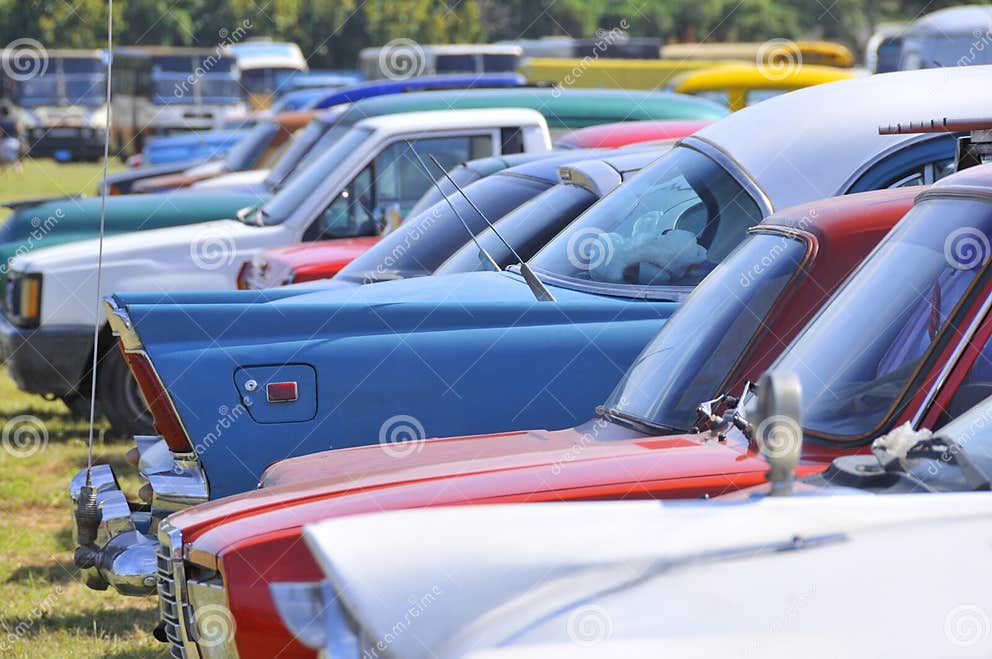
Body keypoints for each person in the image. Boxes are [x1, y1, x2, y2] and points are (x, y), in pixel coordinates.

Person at [0, 107, 23, 175]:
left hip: (4, 141)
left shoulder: (1, 121)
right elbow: (19, 129)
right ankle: (19, 173)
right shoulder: (13, 120)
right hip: (14, 141)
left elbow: (1, 132)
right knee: (15, 159)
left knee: (2, 159)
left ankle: (4, 174)